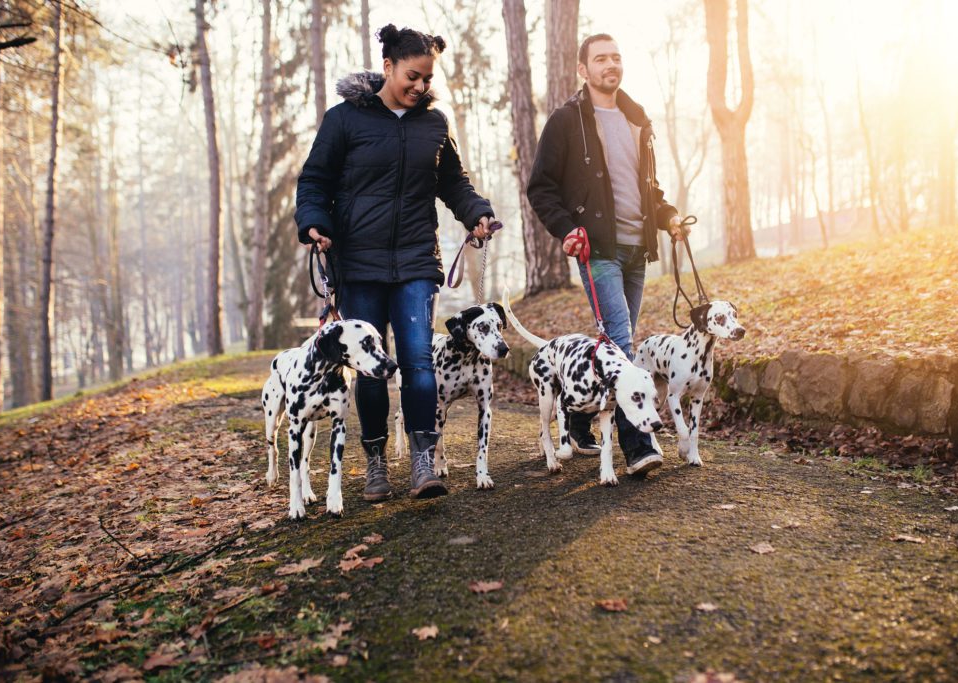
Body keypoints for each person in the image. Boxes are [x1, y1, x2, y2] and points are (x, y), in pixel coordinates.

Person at [294, 24, 497, 500]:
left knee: (417, 360)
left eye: (427, 78)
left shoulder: (434, 124)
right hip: (357, 261)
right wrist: (314, 222)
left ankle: (423, 463)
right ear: (388, 67)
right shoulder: (345, 119)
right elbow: (314, 179)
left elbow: (454, 182)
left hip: (415, 260)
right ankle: (377, 462)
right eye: (412, 76)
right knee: (369, 364)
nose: (420, 86)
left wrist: (477, 212)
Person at [527, 33, 689, 475]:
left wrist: (669, 217)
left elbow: (647, 189)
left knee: (618, 344)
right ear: (583, 70)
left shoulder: (638, 119)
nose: (610, 64)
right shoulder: (566, 121)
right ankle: (639, 446)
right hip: (598, 249)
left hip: (638, 250)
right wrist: (566, 229)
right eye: (600, 59)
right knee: (622, 346)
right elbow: (540, 187)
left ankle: (578, 424)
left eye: (616, 56)